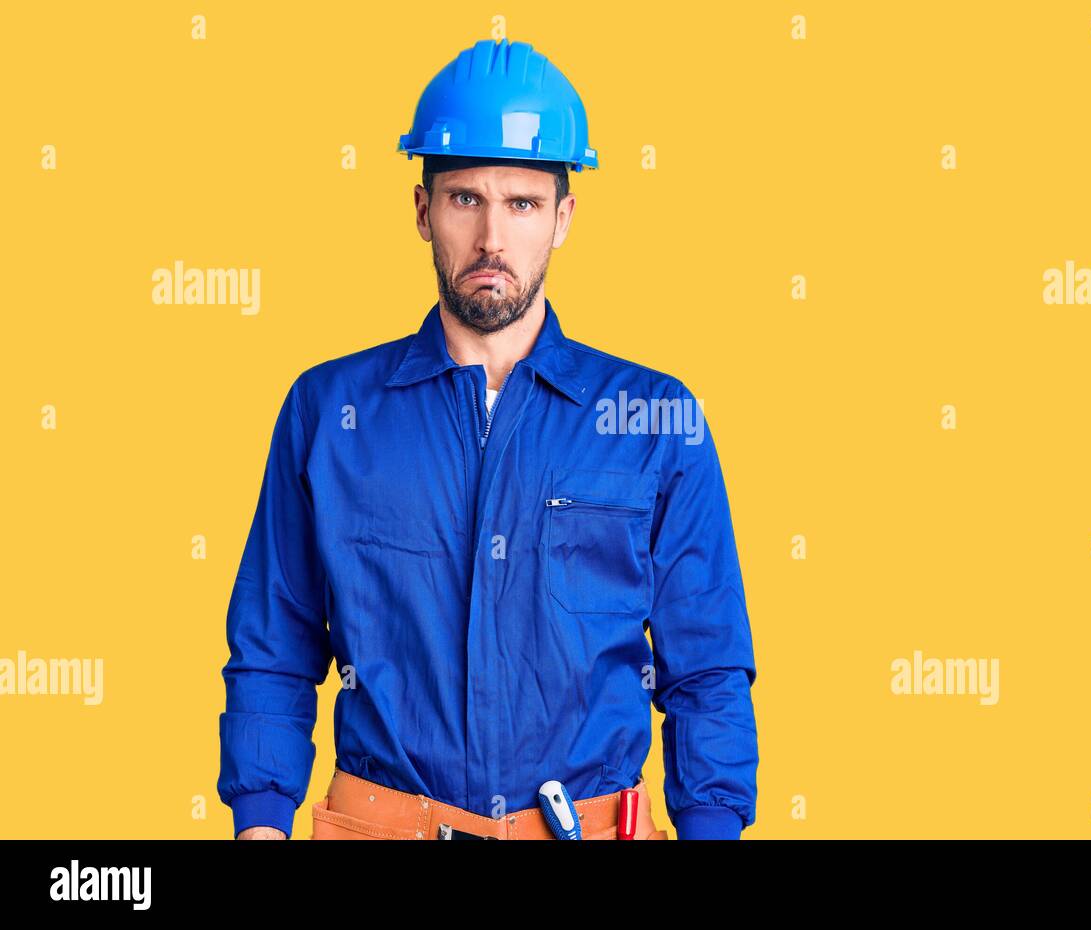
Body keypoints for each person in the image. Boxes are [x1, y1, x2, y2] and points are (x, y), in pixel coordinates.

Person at [217, 38, 758, 841]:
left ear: (564, 217)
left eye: (522, 203)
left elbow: (707, 670)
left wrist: (710, 827)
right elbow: (274, 645)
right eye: (466, 199)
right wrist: (261, 824)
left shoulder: (654, 418)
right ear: (421, 210)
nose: (492, 239)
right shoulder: (327, 411)